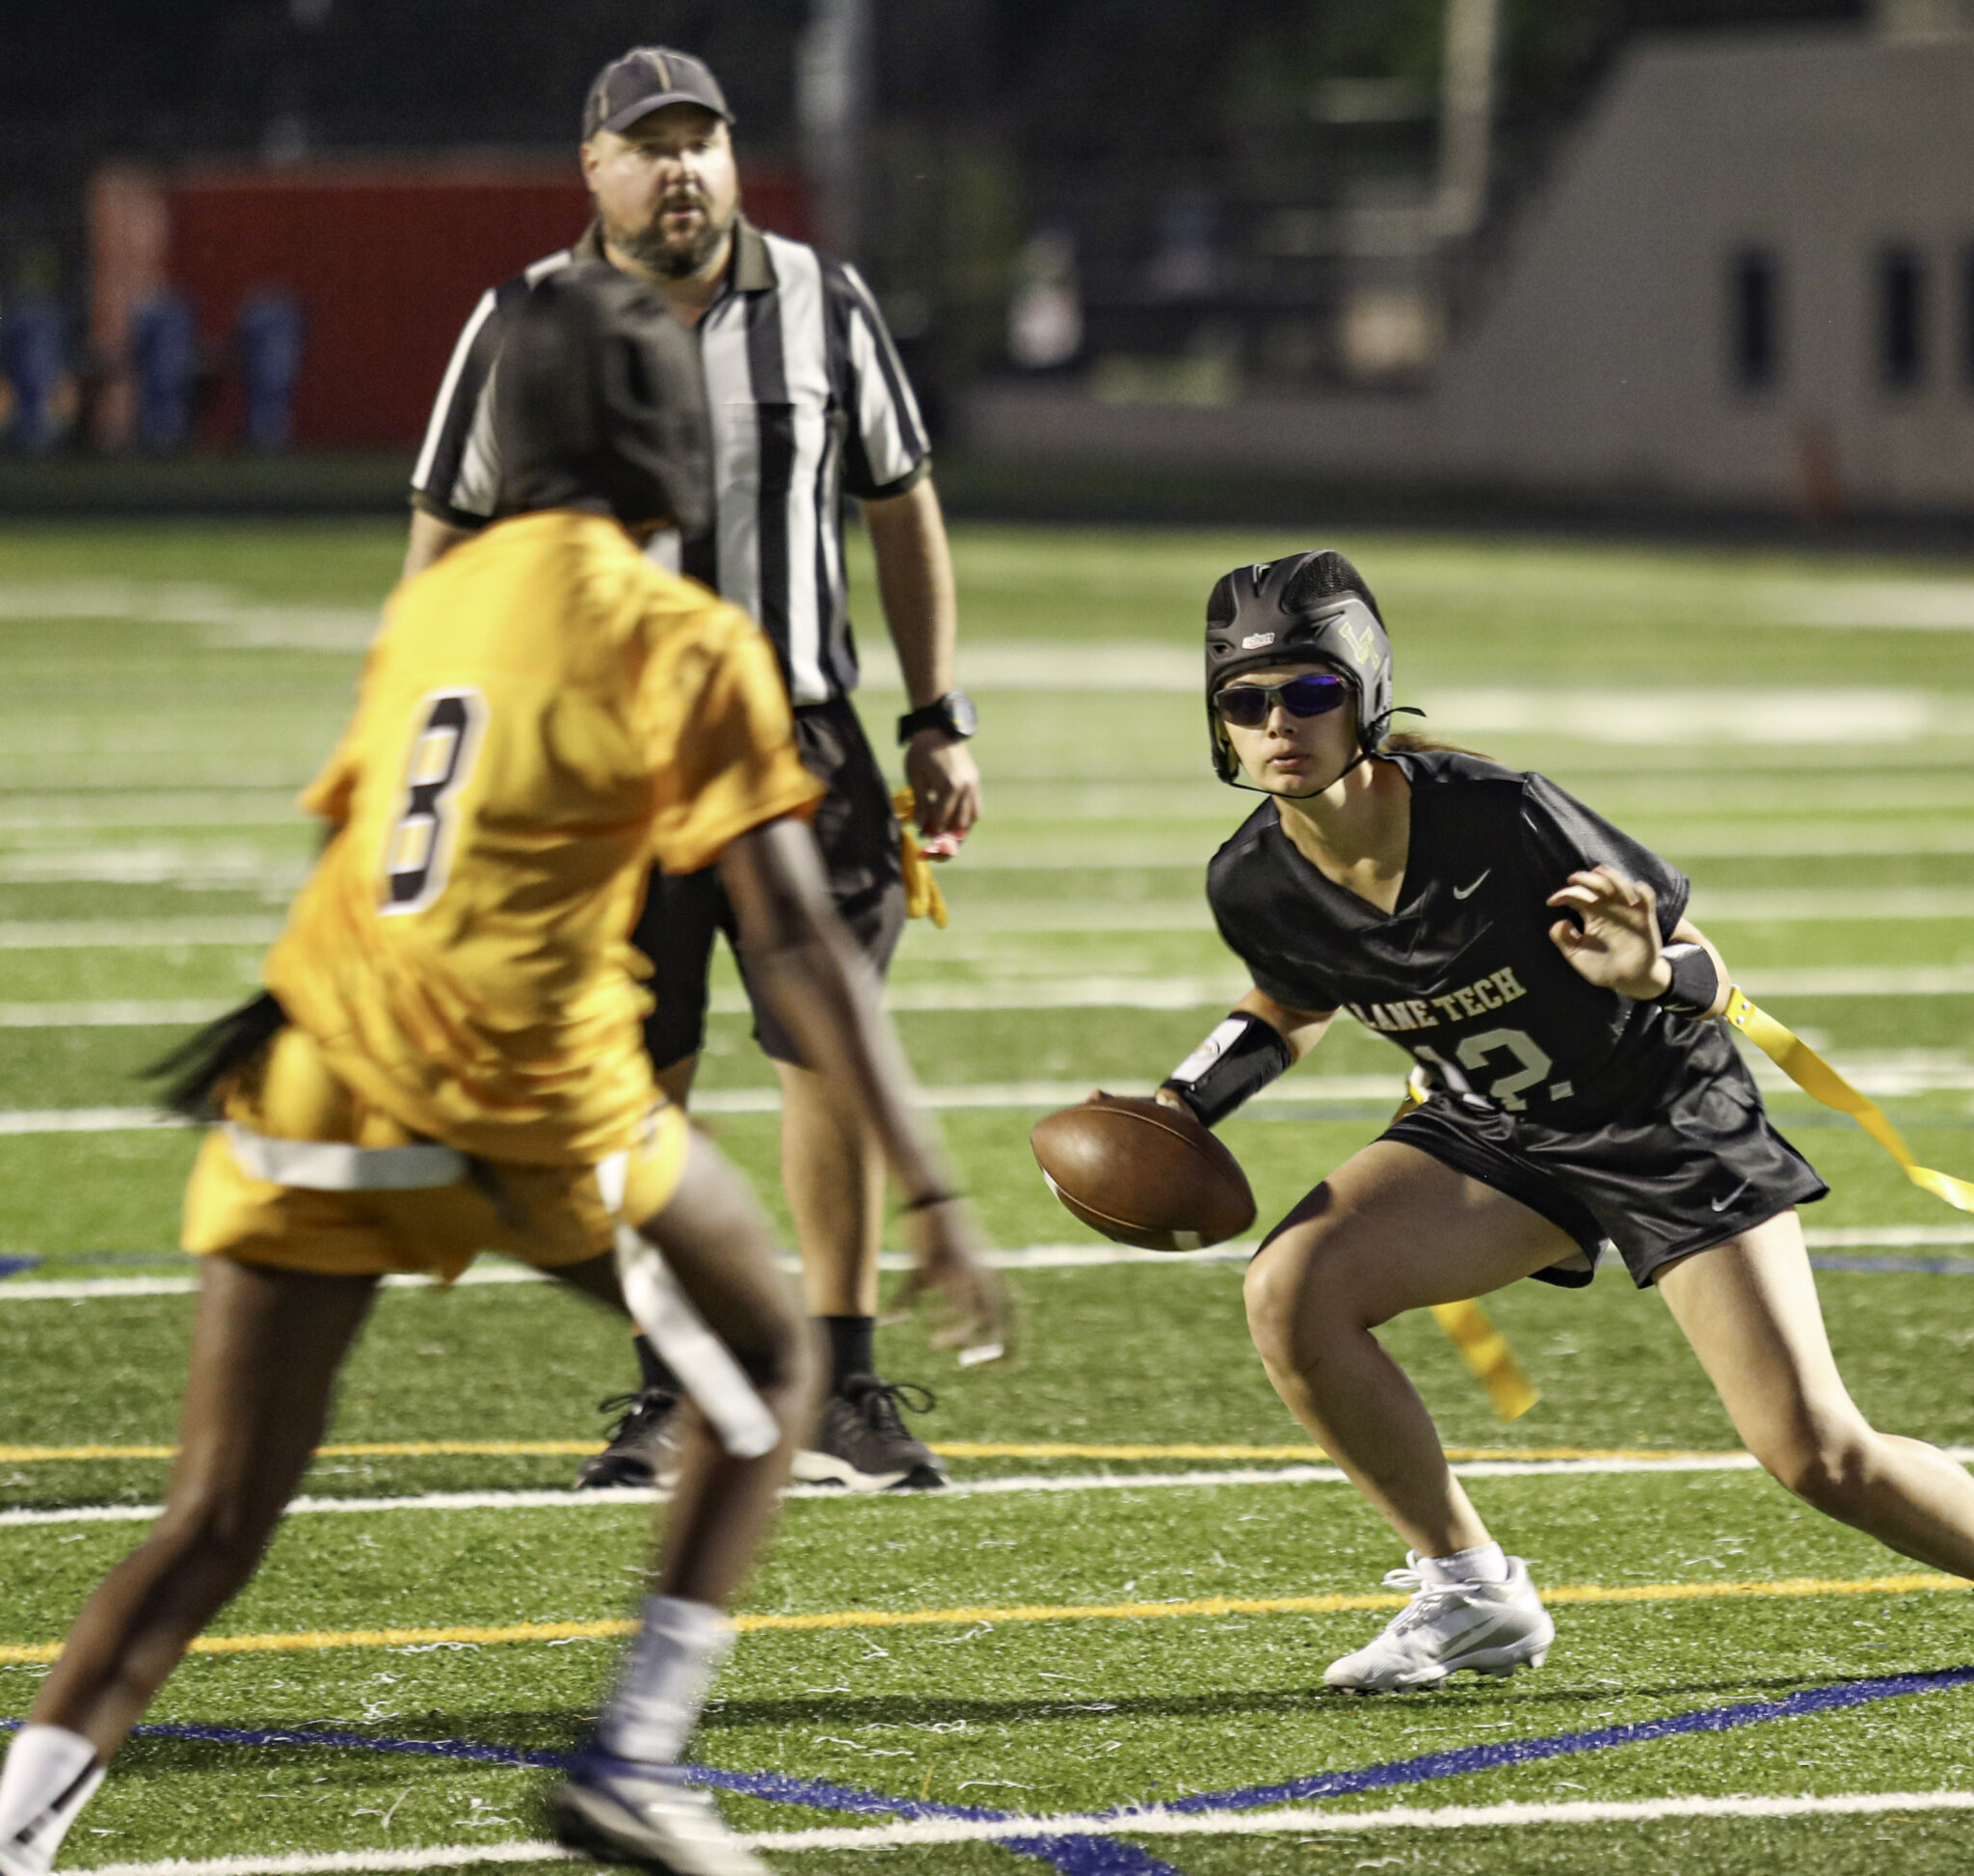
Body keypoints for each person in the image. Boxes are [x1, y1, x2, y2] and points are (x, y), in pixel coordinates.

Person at [0, 267, 1002, 1876]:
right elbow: (802, 948)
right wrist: (938, 1193)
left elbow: (366, 837)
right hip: (521, 1095)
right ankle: (634, 1755)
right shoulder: (683, 635)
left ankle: (15, 1829)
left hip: (315, 1073)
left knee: (210, 1524)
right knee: (765, 1366)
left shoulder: (431, 603)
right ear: (669, 440)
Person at [1147, 549, 1974, 1694]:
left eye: (1309, 690)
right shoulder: (1249, 877)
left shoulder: (1499, 815)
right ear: (1218, 724)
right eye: (1245, 700)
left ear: (1365, 692)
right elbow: (1290, 1001)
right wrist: (1183, 1099)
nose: (1277, 720)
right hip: (1491, 1129)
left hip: (1657, 1118)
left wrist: (1647, 976)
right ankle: (1470, 1588)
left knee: (1817, 1455)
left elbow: (1698, 963)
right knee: (1290, 1288)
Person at [406, 46, 982, 1495]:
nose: (680, 170)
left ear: (734, 157)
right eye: (646, 146)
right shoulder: (527, 318)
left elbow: (901, 506)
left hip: (803, 735)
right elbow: (446, 529)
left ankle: (844, 1382)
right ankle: (674, 1385)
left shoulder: (825, 302)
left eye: (701, 142)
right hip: (607, 756)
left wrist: (936, 711)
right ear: (590, 168)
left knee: (824, 1048)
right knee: (640, 1071)